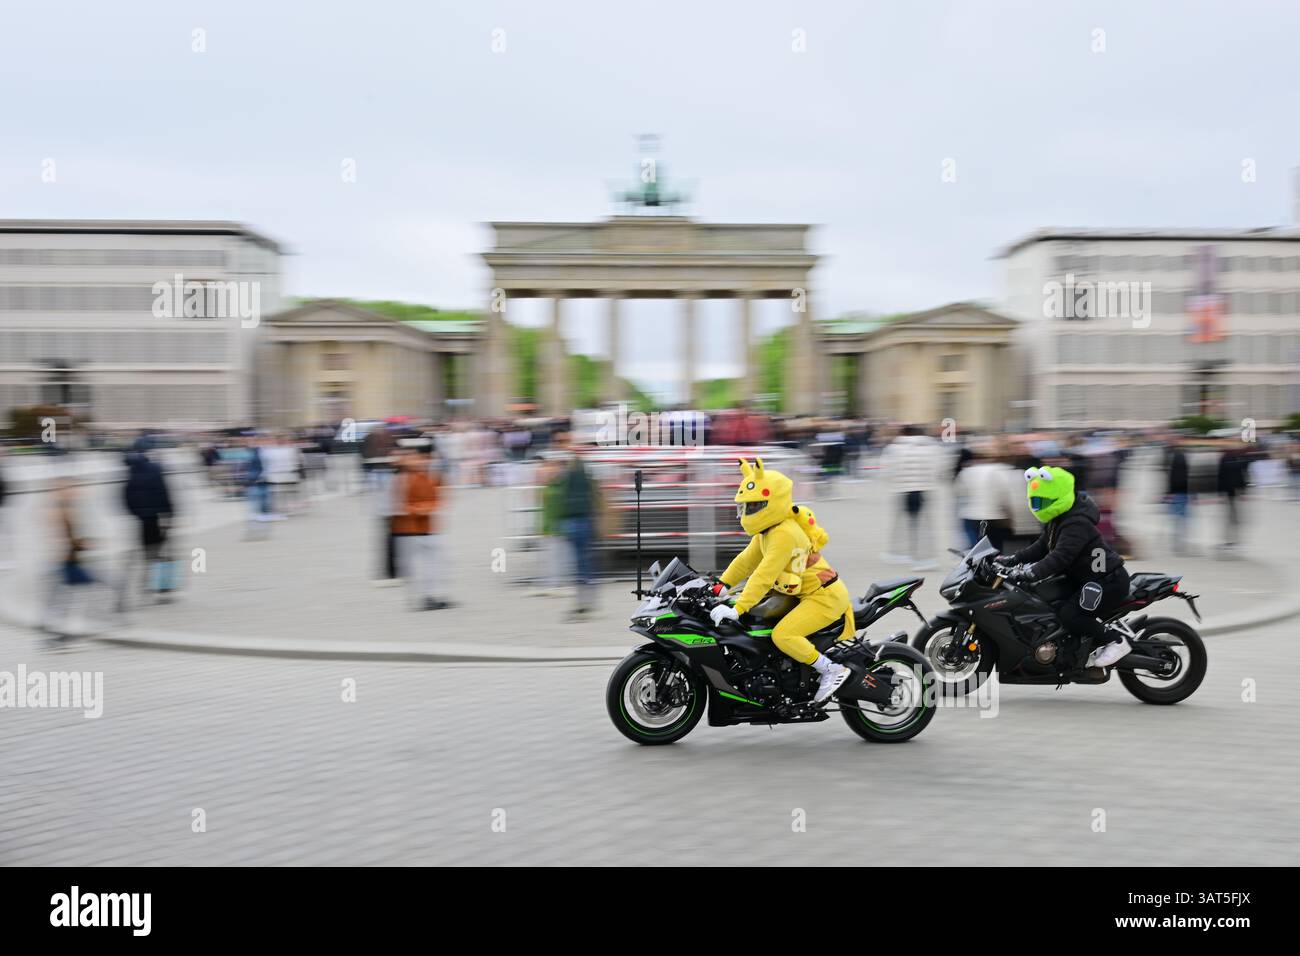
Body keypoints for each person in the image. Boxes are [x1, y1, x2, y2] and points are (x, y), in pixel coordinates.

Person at [710, 457, 854, 703]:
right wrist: (720, 585)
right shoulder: (769, 530)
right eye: (743, 507)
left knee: (783, 635)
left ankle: (832, 670)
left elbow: (764, 574)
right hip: (803, 594)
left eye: (751, 507)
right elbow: (746, 561)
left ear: (770, 503)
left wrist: (738, 607)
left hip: (823, 598)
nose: (745, 514)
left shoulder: (784, 534)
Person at [997, 466, 1132, 669]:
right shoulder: (1059, 518)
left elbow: (1060, 557)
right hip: (1084, 578)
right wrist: (1010, 560)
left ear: (1058, 497)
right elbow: (1042, 547)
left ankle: (1116, 641)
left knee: (1071, 615)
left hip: (1106, 580)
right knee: (1047, 600)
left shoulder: (1076, 522)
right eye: (1035, 501)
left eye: (1043, 501)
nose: (1038, 506)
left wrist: (1029, 573)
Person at [391, 444, 450, 610]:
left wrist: (429, 508)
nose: (421, 462)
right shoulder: (401, 479)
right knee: (412, 566)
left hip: (430, 528)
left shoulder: (432, 476)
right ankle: (416, 598)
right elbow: (399, 505)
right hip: (408, 530)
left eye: (424, 458)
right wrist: (420, 510)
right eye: (416, 458)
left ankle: (430, 596)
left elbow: (442, 497)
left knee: (435, 563)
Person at [121, 439, 177, 606]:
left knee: (147, 555)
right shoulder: (155, 469)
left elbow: (125, 497)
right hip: (159, 518)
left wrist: (136, 514)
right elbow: (164, 493)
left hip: (142, 521)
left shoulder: (130, 472)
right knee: (163, 554)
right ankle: (162, 590)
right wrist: (170, 514)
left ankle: (144, 585)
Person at [879, 425, 942, 570]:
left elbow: (886, 470)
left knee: (901, 524)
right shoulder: (932, 448)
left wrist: (894, 483)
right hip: (923, 490)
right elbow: (938, 468)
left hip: (903, 490)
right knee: (923, 525)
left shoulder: (894, 449)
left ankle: (901, 554)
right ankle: (925, 558)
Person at [554, 434, 598, 617]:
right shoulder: (584, 469)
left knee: (579, 563)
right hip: (583, 520)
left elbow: (564, 497)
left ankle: (582, 602)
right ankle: (585, 601)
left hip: (576, 521)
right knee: (583, 562)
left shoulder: (570, 470)